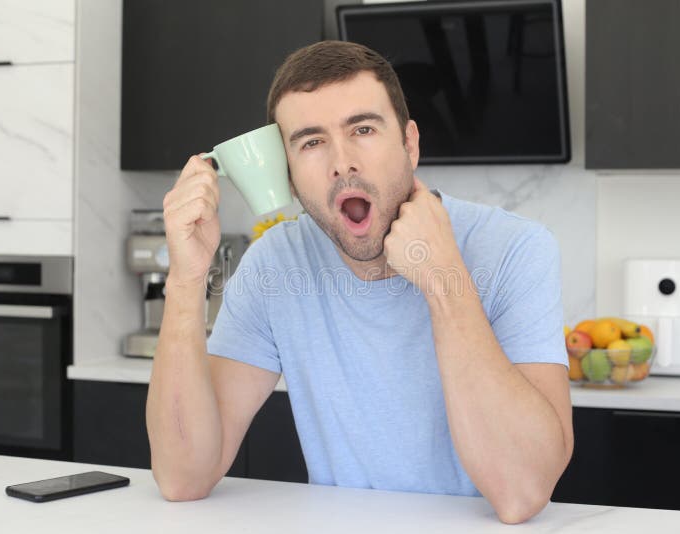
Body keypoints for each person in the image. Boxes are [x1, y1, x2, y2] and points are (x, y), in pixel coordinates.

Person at [146, 40, 573, 524]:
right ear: (288, 173)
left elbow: (521, 493)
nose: (341, 162)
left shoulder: (515, 249)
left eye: (363, 129)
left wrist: (443, 279)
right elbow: (183, 476)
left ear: (410, 144)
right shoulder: (276, 265)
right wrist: (185, 278)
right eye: (311, 142)